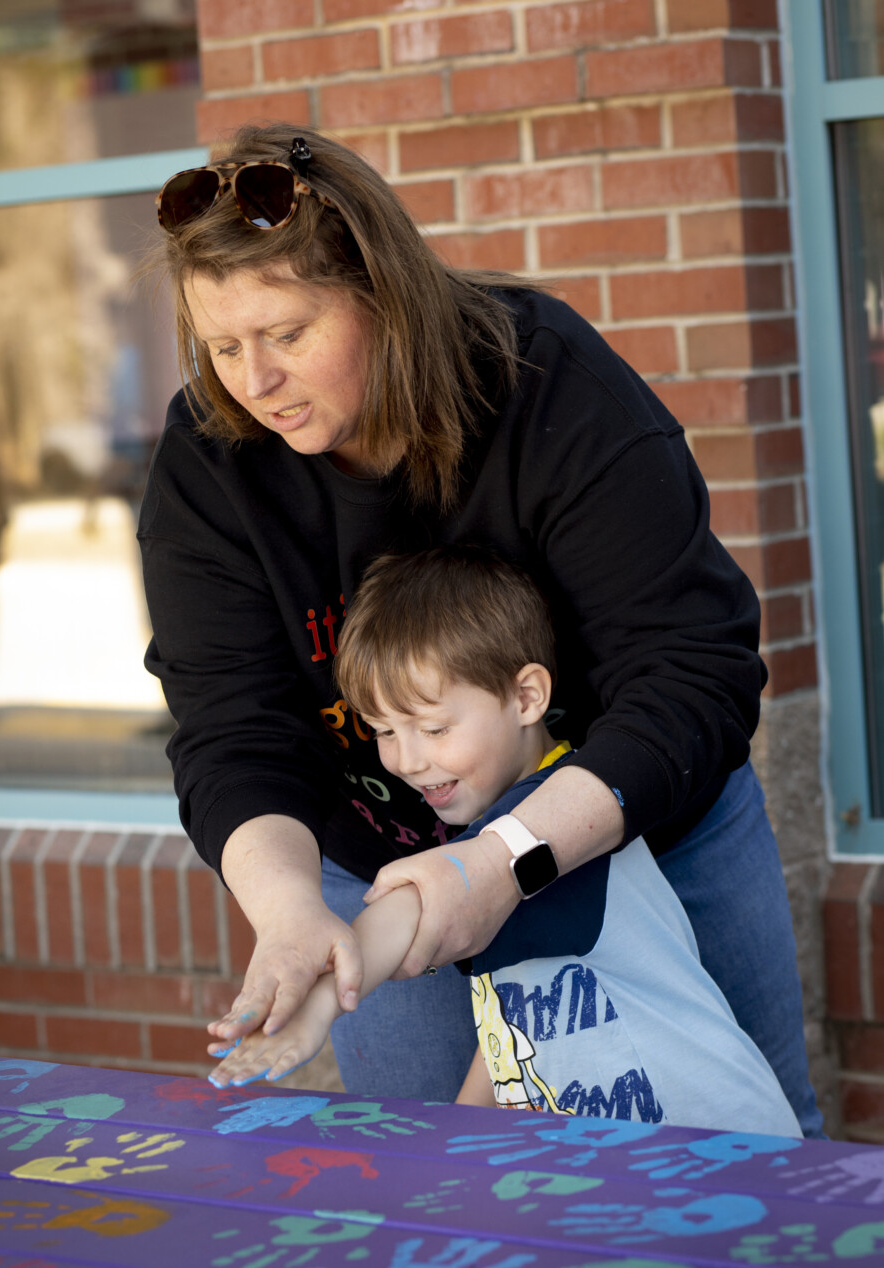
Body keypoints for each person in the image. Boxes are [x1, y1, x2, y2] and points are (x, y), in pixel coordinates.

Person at [140, 121, 822, 1136]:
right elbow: (233, 729)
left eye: (288, 334)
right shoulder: (211, 462)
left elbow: (692, 672)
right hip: (385, 864)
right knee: (437, 1174)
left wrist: (503, 858)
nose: (256, 381)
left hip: (640, 826)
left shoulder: (546, 381)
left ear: (381, 292)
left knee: (758, 1167)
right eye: (224, 346)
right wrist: (290, 916)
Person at [206, 546, 802, 1137]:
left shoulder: (543, 834)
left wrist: (316, 1006)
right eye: (385, 731)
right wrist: (459, 1130)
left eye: (434, 727)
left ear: (527, 697)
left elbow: (413, 912)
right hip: (638, 1159)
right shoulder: (494, 829)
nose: (407, 760)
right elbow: (513, 1026)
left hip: (722, 1147)